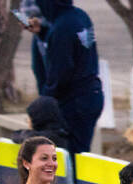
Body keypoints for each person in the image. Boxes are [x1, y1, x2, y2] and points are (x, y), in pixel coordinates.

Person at [27, 1, 102, 155]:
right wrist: (42, 33)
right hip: (92, 93)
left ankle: (75, 180)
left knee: (72, 157)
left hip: (75, 102)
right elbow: (74, 47)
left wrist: (42, 103)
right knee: (81, 151)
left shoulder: (61, 29)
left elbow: (60, 73)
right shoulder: (80, 16)